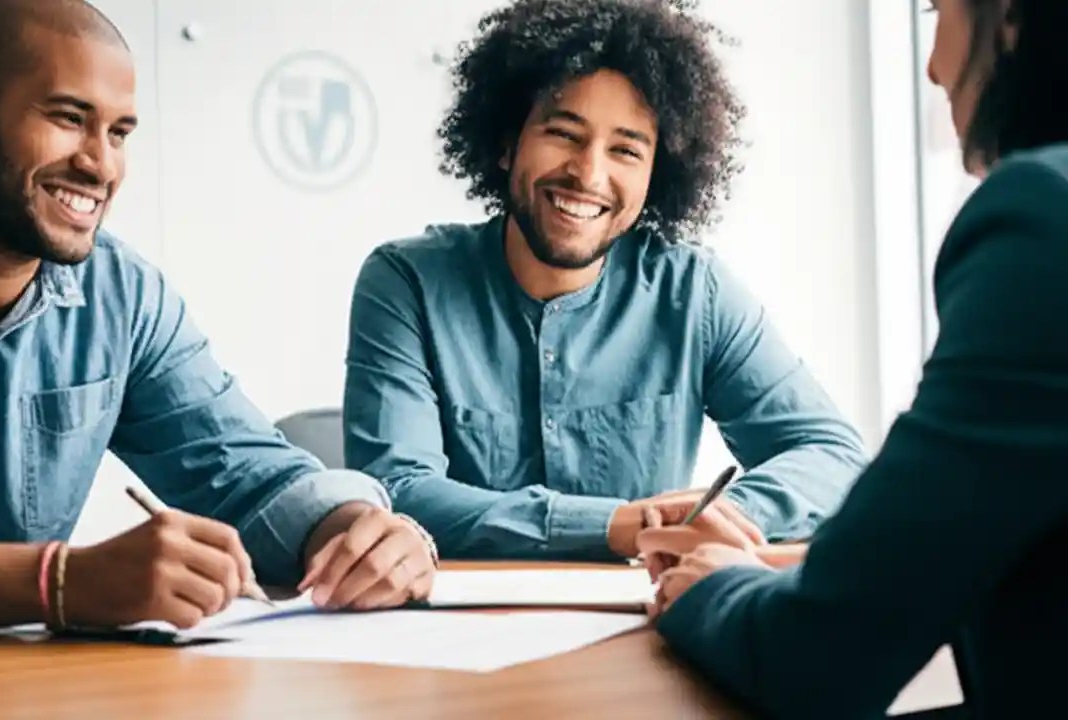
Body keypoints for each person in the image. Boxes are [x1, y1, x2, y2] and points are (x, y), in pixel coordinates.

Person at [0, 0, 435, 638]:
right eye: (69, 119)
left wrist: (358, 532)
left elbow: (249, 478)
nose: (100, 165)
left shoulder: (121, 296)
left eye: (119, 133)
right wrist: (59, 583)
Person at [635, 1, 1068, 717]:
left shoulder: (1042, 221)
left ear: (1013, 16)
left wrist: (717, 581)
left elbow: (815, 652)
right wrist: (781, 569)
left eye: (938, 11)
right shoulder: (409, 281)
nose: (932, 67)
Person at [341, 0, 865, 562]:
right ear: (504, 142)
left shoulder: (694, 294)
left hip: (642, 628)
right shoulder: (407, 283)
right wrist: (616, 525)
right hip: (449, 633)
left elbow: (831, 454)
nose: (589, 174)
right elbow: (397, 491)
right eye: (564, 134)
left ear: (654, 176)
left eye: (625, 150)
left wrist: (709, 520)